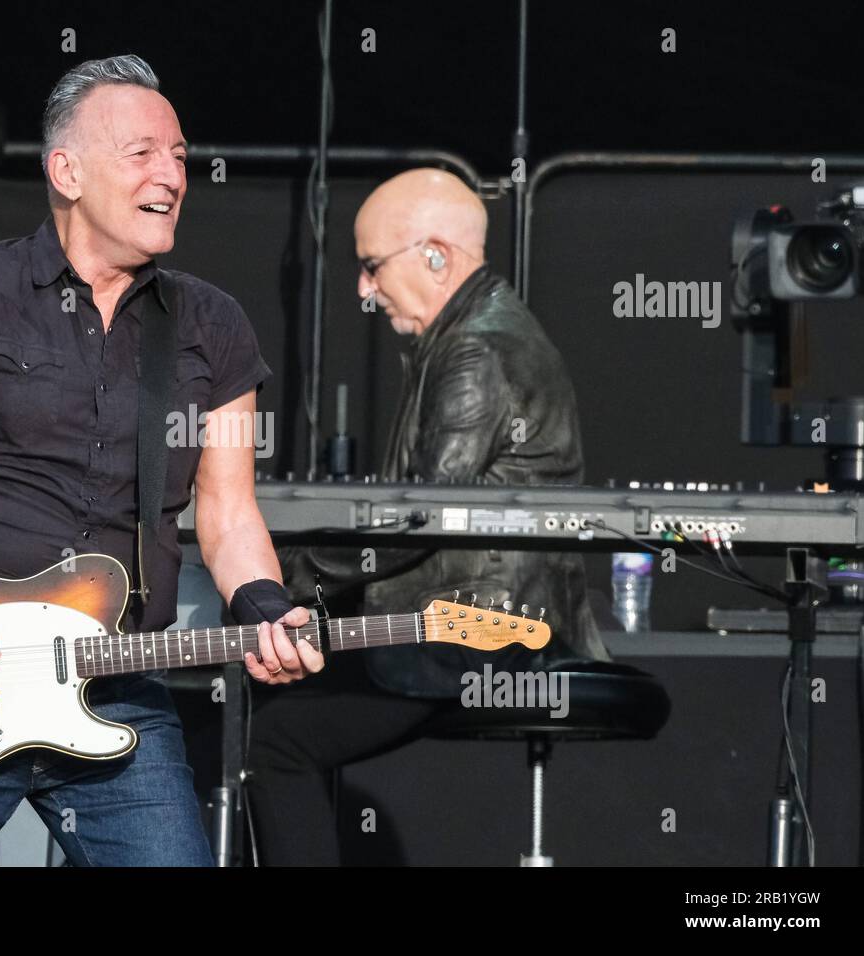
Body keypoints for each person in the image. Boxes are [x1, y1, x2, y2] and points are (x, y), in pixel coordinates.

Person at [0, 54, 322, 867]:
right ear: (67, 172)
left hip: (116, 689)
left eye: (179, 156)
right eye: (142, 153)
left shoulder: (212, 325)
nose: (171, 176)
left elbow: (228, 513)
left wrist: (261, 603)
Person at [245, 168, 609, 866]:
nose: (363, 288)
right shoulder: (473, 332)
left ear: (436, 255)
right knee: (270, 703)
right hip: (471, 625)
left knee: (272, 741)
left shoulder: (477, 349)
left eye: (372, 265)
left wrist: (286, 572)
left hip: (485, 636)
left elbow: (420, 518)